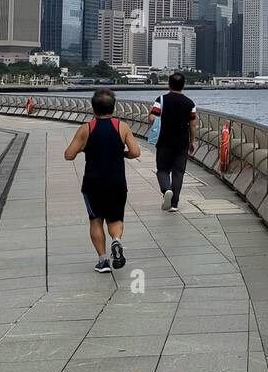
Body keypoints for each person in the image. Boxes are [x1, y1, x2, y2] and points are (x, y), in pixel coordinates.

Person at [64, 88, 140, 273]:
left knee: (96, 220)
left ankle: (103, 260)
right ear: (113, 107)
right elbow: (136, 152)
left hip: (93, 184)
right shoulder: (121, 127)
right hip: (117, 183)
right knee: (115, 219)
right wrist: (122, 153)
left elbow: (68, 155)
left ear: (93, 108)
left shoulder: (86, 128)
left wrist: (85, 148)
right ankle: (116, 241)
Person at [147, 72, 197, 213]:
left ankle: (166, 189)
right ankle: (174, 204)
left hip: (164, 141)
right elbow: (193, 125)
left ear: (169, 84)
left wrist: (150, 113)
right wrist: (192, 141)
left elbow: (151, 119)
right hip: (182, 142)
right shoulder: (190, 103)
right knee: (178, 172)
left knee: (162, 170)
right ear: (183, 85)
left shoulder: (161, 99)